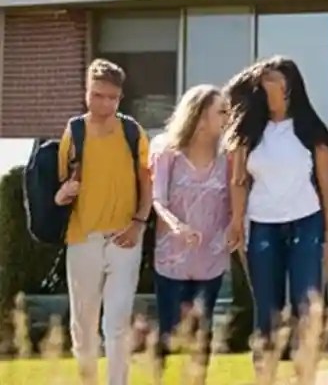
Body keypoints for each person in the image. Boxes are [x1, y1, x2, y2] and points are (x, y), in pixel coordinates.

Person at [224, 56, 328, 356]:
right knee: (267, 311)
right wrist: (236, 221)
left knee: (306, 306)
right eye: (263, 81)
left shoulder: (312, 131)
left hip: (306, 222)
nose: (265, 85)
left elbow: (327, 187)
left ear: (288, 87)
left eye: (273, 80)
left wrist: (327, 235)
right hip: (262, 225)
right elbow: (238, 183)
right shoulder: (247, 133)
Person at [53, 58, 152, 385]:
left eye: (112, 97)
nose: (105, 104)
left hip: (124, 237)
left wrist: (139, 222)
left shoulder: (132, 131)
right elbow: (62, 187)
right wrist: (66, 191)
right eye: (98, 96)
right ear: (86, 93)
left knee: (117, 321)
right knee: (83, 325)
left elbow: (146, 182)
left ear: (120, 97)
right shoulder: (75, 130)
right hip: (83, 239)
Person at [150, 85, 232, 375]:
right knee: (169, 332)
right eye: (221, 111)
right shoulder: (165, 151)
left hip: (211, 259)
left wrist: (236, 230)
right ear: (199, 118)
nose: (228, 116)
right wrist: (177, 227)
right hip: (171, 259)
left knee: (201, 334)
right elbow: (157, 199)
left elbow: (235, 203)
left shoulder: (229, 156)